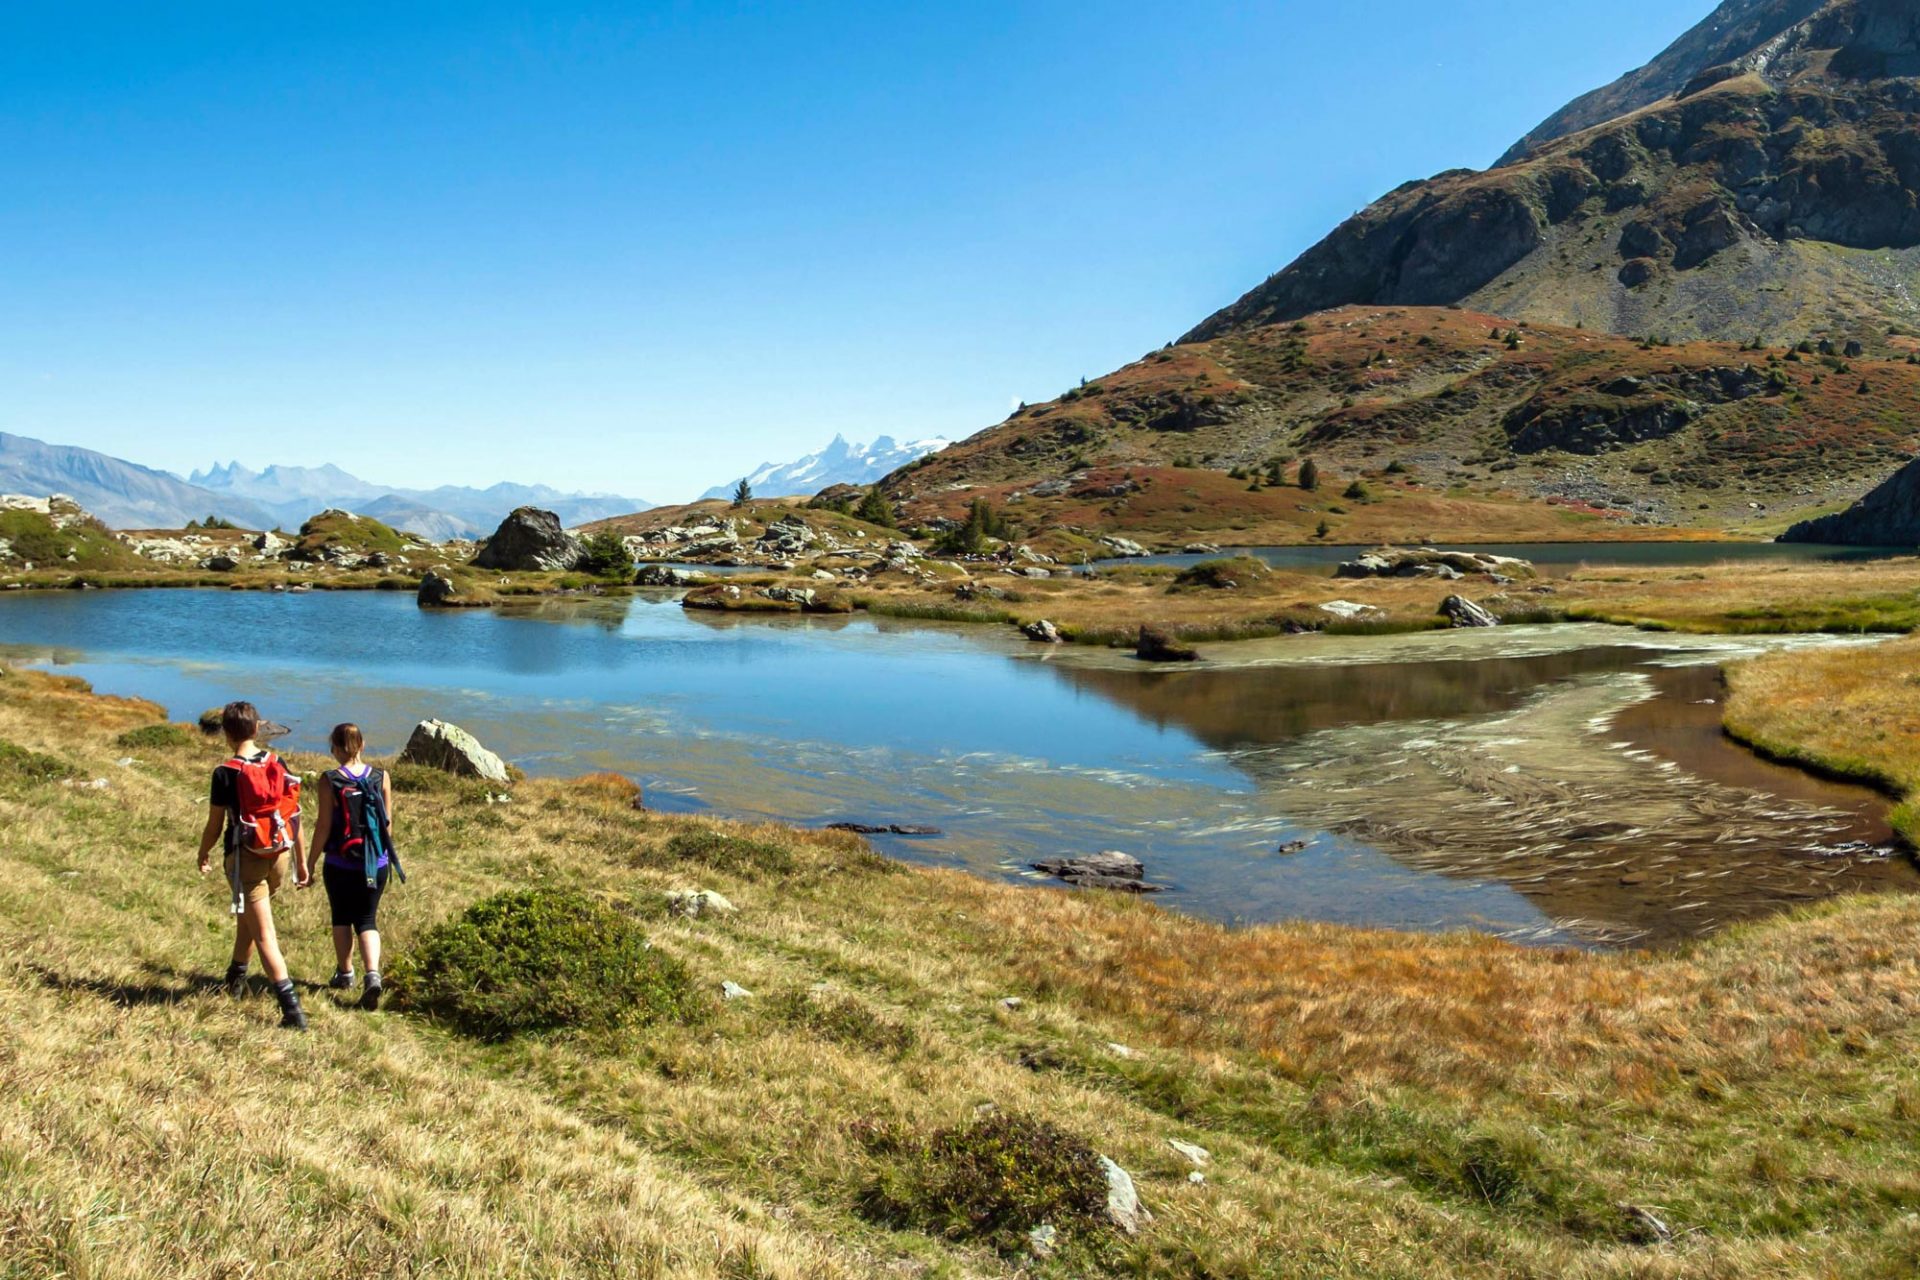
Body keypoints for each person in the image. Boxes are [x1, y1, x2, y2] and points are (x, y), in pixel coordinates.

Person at [196, 700, 309, 1030]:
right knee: (251, 916)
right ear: (258, 728)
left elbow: (215, 824)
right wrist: (301, 860)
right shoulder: (277, 762)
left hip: (245, 856)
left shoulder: (225, 773)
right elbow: (294, 814)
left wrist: (203, 852)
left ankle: (292, 1010)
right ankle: (234, 978)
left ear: (226, 734)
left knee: (264, 935)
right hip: (278, 854)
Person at [314, 723, 395, 1011]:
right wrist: (381, 856)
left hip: (340, 862)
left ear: (335, 748)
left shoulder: (329, 780)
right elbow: (387, 824)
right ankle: (372, 974)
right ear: (362, 745)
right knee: (367, 919)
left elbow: (323, 826)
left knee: (341, 916)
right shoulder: (381, 776)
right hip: (376, 862)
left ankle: (345, 973)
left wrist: (309, 862)